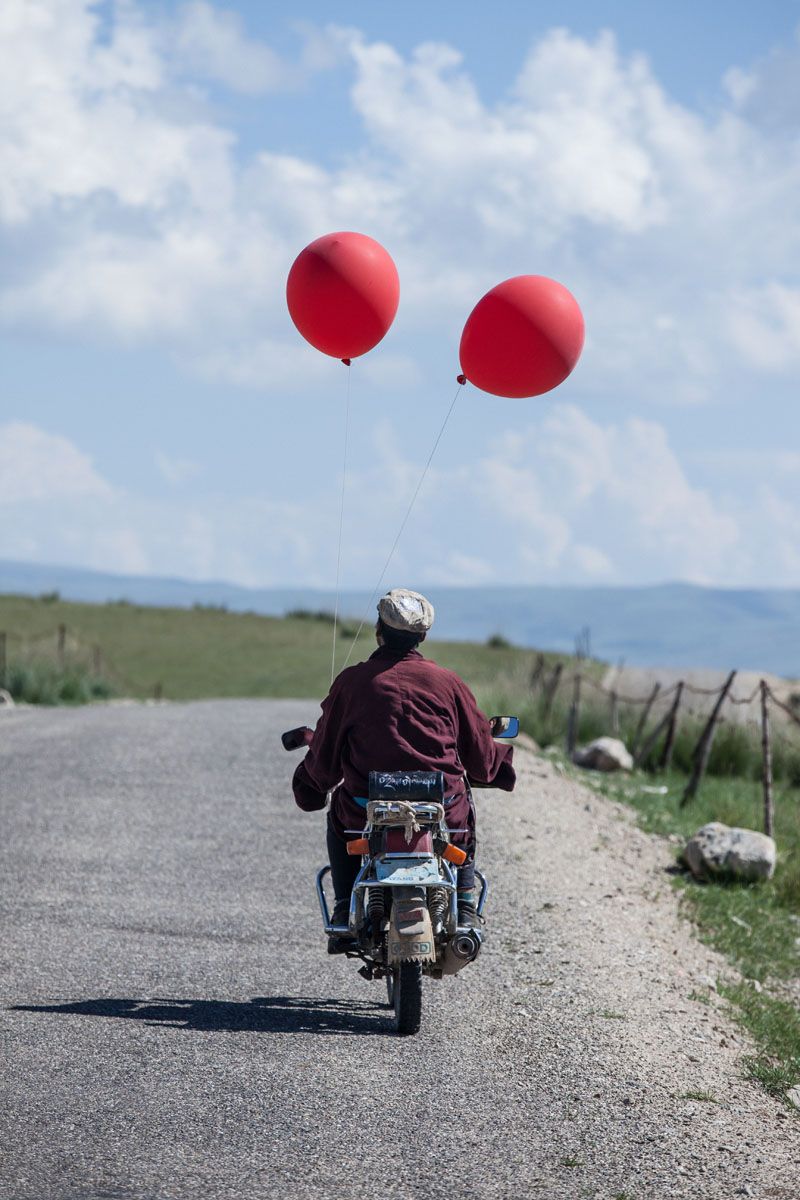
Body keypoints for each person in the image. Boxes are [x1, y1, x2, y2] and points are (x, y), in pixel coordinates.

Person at [292, 587, 516, 947]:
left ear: (378, 630)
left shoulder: (351, 682)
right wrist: (495, 763)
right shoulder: (448, 682)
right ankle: (464, 899)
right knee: (466, 812)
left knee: (338, 816)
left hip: (366, 806)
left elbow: (326, 756)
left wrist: (311, 782)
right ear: (423, 636)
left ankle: (344, 904)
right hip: (440, 805)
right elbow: (480, 756)